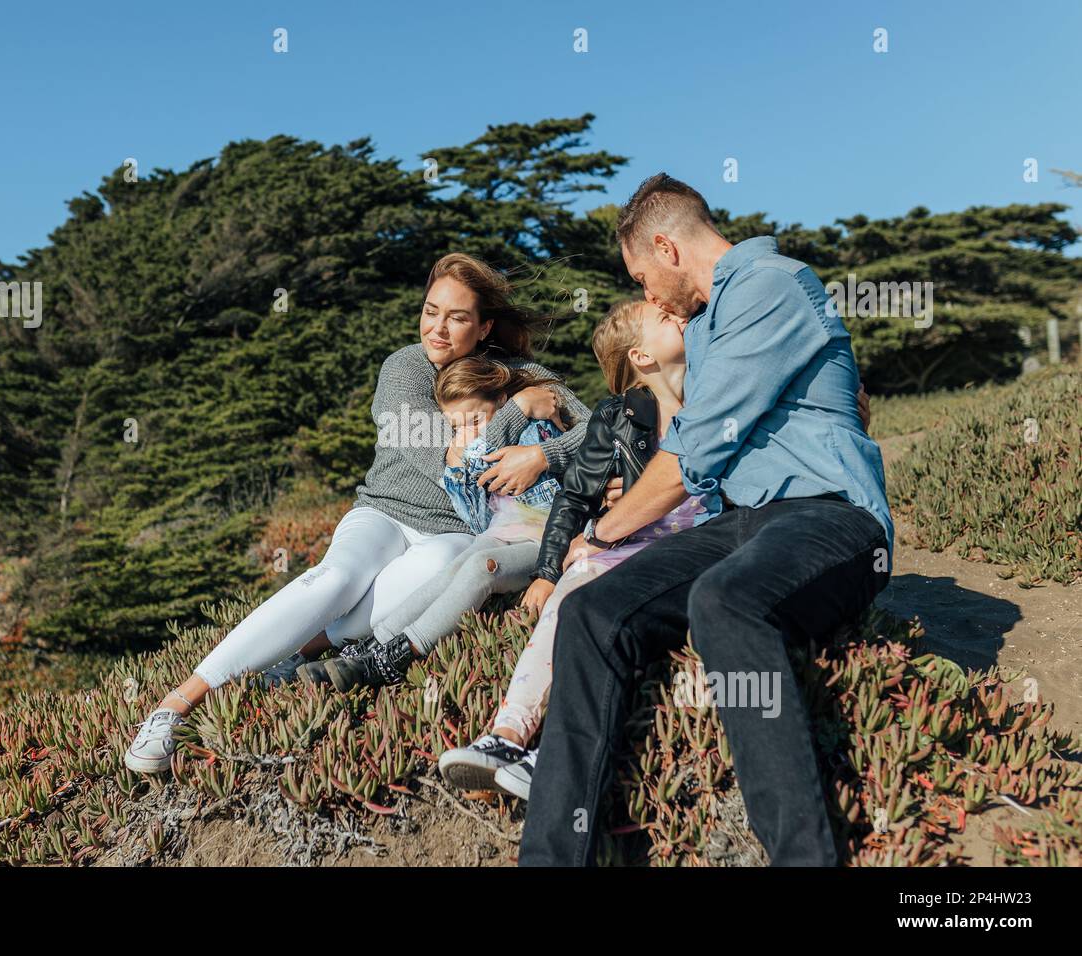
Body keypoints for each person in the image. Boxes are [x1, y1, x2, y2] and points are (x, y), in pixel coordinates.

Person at [518, 173, 893, 867]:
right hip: (741, 522)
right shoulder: (710, 320)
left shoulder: (771, 285)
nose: (648, 296)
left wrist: (599, 534)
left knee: (723, 601)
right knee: (593, 614)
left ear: (666, 246)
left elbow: (698, 446)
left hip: (828, 517)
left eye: (642, 276)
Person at [124, 253, 592, 774]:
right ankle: (175, 705)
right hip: (385, 514)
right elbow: (449, 458)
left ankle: (304, 652)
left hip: (459, 532)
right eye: (430, 310)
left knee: (436, 566)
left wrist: (543, 454)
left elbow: (597, 432)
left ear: (484, 326)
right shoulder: (406, 367)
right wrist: (521, 412)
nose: (437, 328)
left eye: (457, 317)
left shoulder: (522, 373)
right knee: (336, 578)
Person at [437, 299, 705, 798]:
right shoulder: (618, 416)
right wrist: (546, 570)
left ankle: (555, 750)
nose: (677, 316)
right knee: (572, 587)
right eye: (662, 318)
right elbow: (575, 496)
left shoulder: (722, 398)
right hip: (622, 541)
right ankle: (506, 735)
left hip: (695, 547)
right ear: (642, 357)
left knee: (602, 611)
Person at [298, 353, 569, 691]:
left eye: (476, 420)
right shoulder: (486, 435)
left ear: (502, 401)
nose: (468, 433)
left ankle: (392, 660)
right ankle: (367, 649)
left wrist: (516, 410)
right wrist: (459, 466)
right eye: (458, 426)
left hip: (551, 539)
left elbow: (490, 451)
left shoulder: (535, 429)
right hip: (504, 532)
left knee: (481, 569)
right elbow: (475, 512)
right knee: (456, 567)